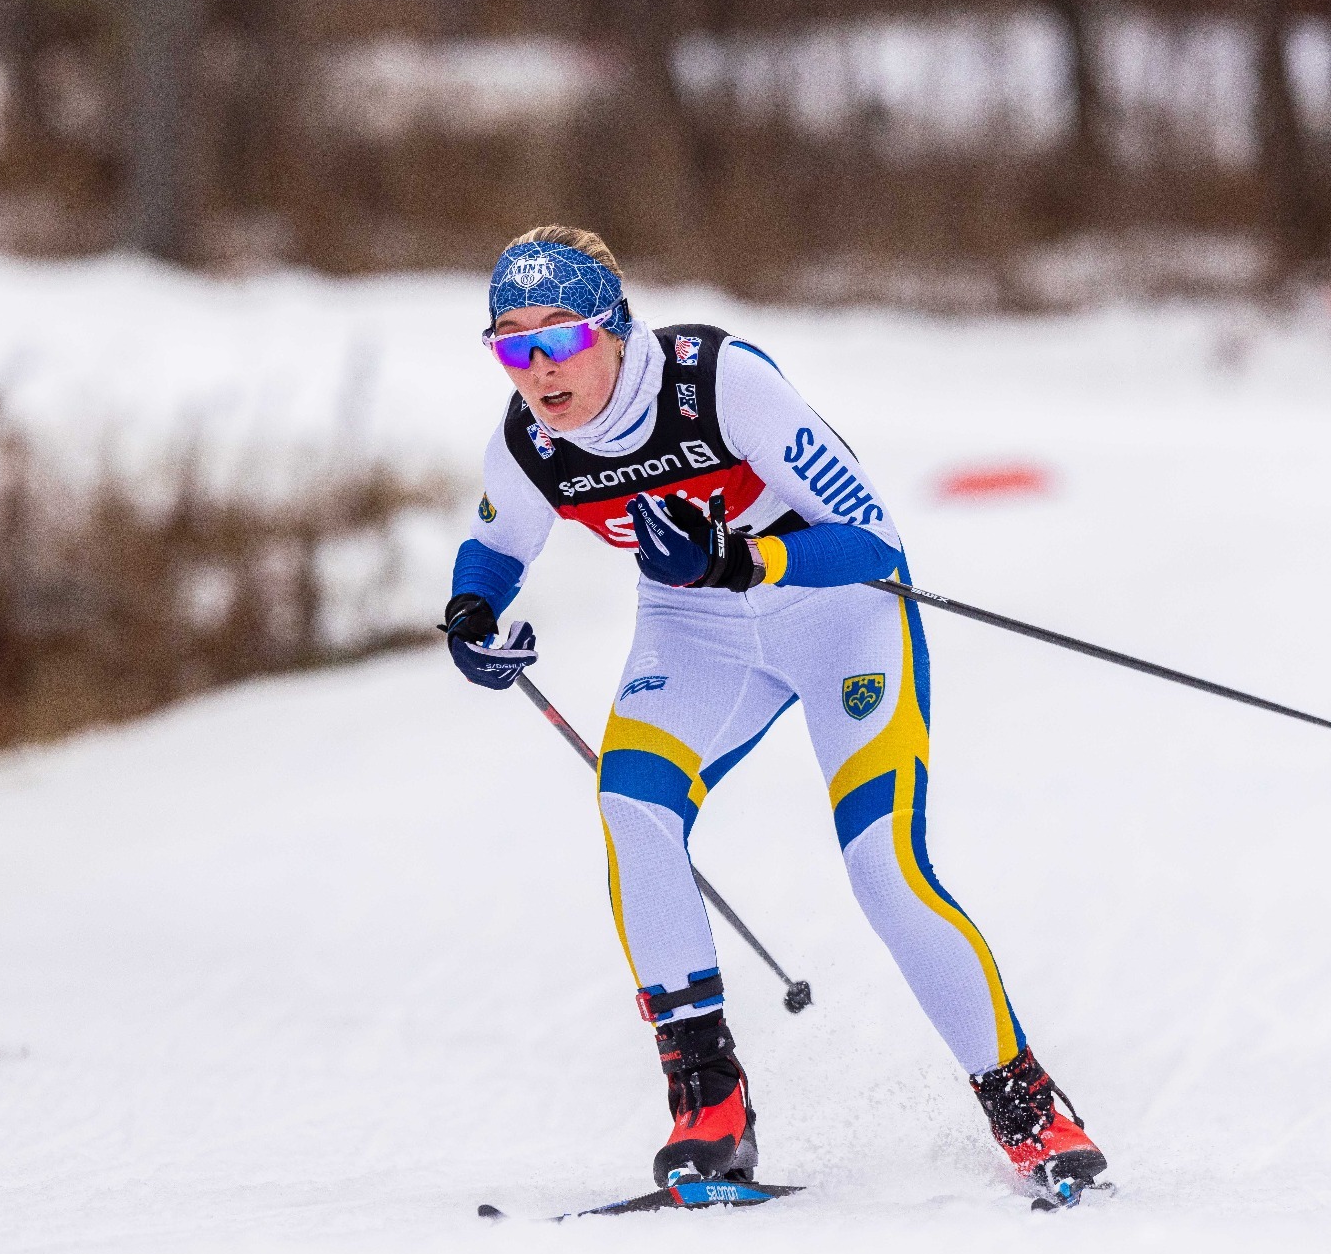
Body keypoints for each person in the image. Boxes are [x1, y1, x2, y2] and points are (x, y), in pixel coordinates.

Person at [443, 226, 1107, 1197]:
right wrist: (472, 614)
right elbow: (497, 545)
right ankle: (708, 1106)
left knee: (883, 868)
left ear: (615, 329)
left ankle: (1027, 1106)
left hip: (836, 614)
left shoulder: (716, 382)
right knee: (632, 808)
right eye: (510, 344)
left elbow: (871, 542)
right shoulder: (531, 439)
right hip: (695, 629)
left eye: (558, 338)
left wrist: (747, 558)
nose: (536, 368)